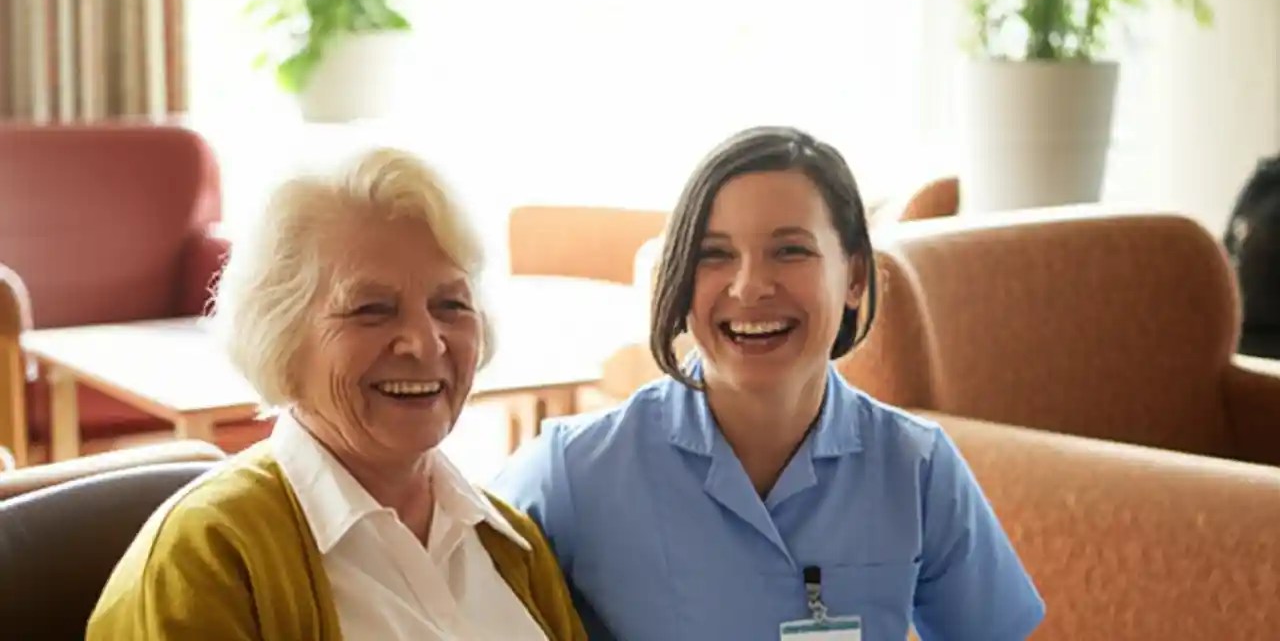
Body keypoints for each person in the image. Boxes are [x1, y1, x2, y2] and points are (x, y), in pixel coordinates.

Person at [491, 126, 1045, 640]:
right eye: (715, 255)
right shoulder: (573, 472)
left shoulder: (916, 469)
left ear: (854, 277)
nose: (750, 285)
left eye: (790, 250)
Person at [88, 148, 586, 641]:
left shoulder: (513, 546)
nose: (426, 341)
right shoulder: (202, 560)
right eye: (372, 309)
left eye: (451, 304)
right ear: (280, 334)